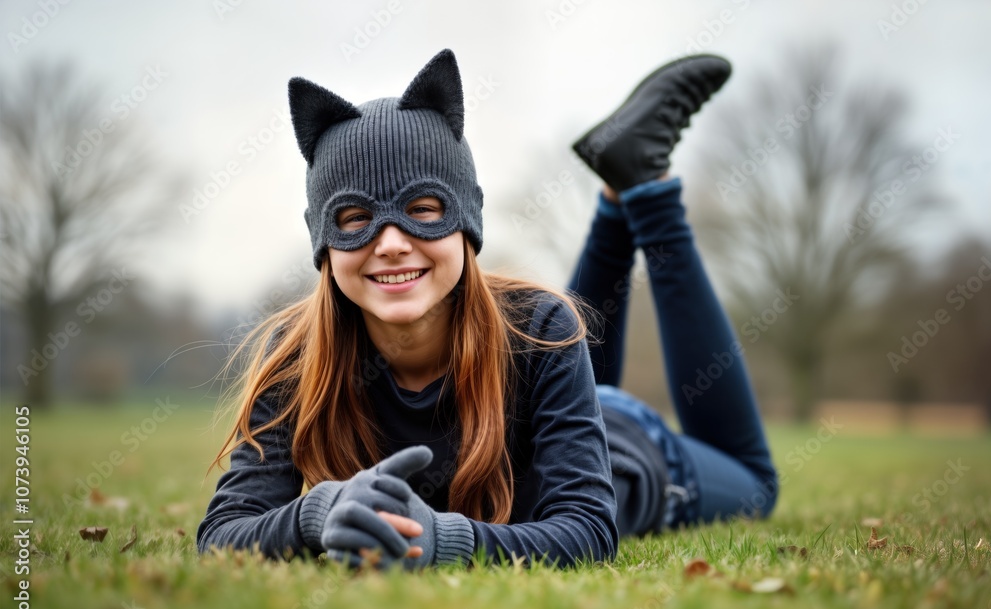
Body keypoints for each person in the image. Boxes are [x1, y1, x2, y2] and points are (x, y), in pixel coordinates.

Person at [196, 49, 778, 570]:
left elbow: (588, 528)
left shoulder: (541, 327)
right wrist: (313, 515)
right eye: (354, 219)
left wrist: (444, 539)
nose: (390, 240)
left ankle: (646, 191)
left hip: (628, 446)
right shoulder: (297, 359)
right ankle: (619, 184)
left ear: (468, 225)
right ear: (322, 243)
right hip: (560, 412)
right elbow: (221, 534)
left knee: (756, 480)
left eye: (423, 209)